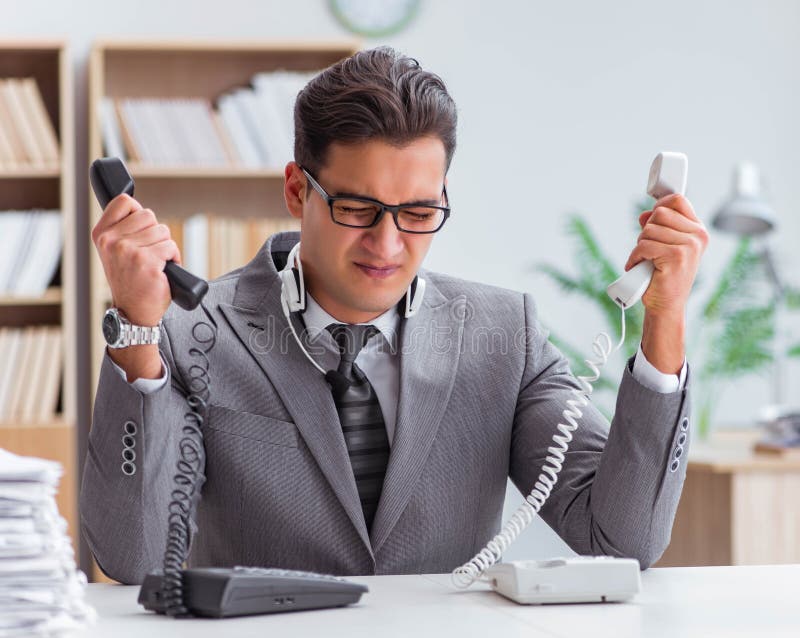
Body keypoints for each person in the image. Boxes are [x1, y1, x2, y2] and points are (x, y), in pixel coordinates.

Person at [81, 47, 708, 585]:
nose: (386, 245)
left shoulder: (503, 336)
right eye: (356, 208)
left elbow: (621, 540)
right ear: (297, 189)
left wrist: (665, 320)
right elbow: (132, 558)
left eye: (416, 212)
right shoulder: (192, 331)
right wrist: (137, 327)